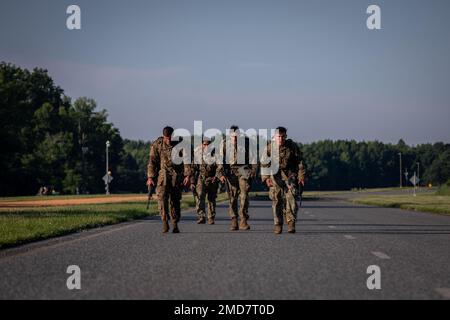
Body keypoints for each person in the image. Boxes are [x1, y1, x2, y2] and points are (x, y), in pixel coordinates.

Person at [261, 127, 306, 234]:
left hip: (290, 175)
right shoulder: (270, 147)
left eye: (282, 136)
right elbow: (264, 163)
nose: (280, 139)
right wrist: (266, 178)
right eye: (278, 136)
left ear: (285, 136)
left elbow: (300, 162)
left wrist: (301, 176)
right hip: (275, 176)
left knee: (291, 198)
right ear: (274, 137)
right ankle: (278, 224)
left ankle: (291, 223)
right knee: (276, 200)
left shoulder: (292, 146)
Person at [147, 126, 191, 233]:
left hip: (177, 176)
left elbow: (187, 160)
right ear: (163, 136)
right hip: (163, 175)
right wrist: (150, 177)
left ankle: (175, 223)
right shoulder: (157, 144)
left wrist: (187, 175)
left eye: (170, 137)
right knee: (162, 199)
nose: (169, 140)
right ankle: (165, 222)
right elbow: (152, 161)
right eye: (167, 138)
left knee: (175, 200)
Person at [217, 125, 258, 231]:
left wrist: (253, 171)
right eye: (232, 136)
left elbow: (253, 158)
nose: (234, 139)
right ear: (229, 136)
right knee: (232, 197)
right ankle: (234, 219)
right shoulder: (224, 144)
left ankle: (243, 219)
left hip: (243, 169)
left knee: (244, 195)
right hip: (230, 171)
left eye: (236, 136)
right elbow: (220, 161)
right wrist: (220, 174)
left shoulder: (247, 142)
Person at [191, 138, 219, 225]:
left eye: (208, 145)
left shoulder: (215, 155)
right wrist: (192, 181)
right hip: (201, 178)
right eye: (204, 145)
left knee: (211, 199)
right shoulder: (198, 155)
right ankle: (201, 216)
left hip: (212, 178)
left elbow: (219, 167)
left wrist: (216, 176)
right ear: (202, 145)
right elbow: (193, 168)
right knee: (200, 196)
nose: (206, 146)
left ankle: (211, 217)